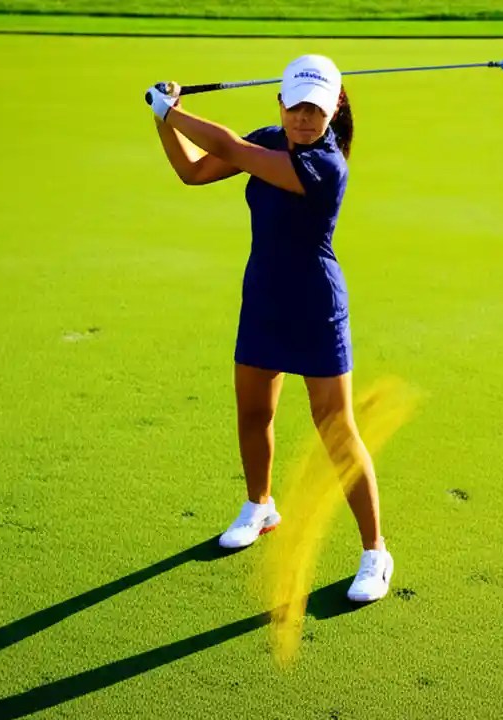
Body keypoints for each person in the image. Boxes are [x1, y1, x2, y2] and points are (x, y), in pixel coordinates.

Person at [148, 55, 392, 602]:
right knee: (254, 411)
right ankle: (260, 506)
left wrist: (175, 111)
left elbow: (232, 149)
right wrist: (164, 121)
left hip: (315, 305)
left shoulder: (327, 166)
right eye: (297, 106)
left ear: (332, 113)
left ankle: (376, 551)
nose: (306, 118)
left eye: (317, 110)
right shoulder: (269, 140)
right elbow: (193, 170)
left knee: (335, 427)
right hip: (263, 299)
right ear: (279, 103)